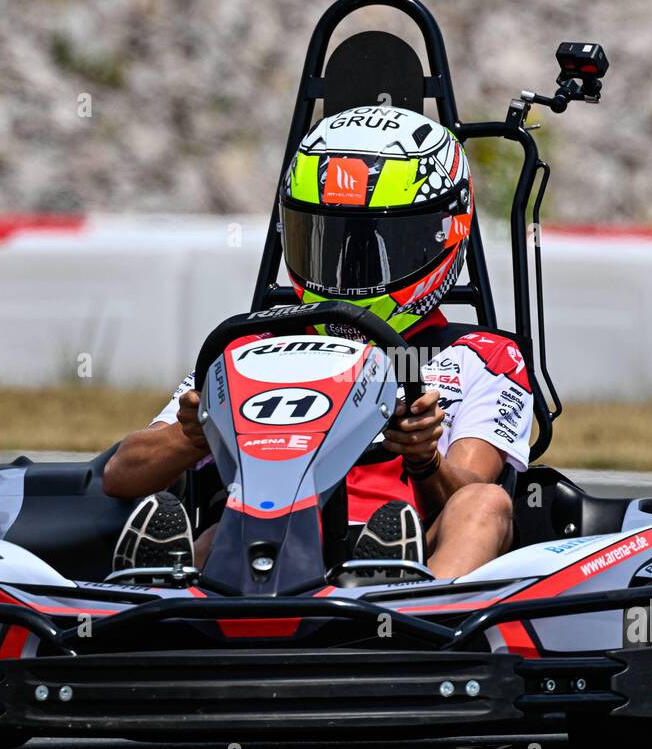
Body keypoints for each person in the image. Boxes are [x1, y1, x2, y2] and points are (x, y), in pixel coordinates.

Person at [103, 105, 533, 580]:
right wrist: (194, 432)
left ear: (440, 237)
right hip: (270, 542)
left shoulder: (482, 357)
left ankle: (413, 601)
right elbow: (121, 475)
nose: (345, 272)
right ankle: (165, 598)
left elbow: (470, 491)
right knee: (218, 528)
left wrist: (424, 459)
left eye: (369, 250)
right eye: (325, 242)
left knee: (486, 503)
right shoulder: (251, 347)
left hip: (413, 549)